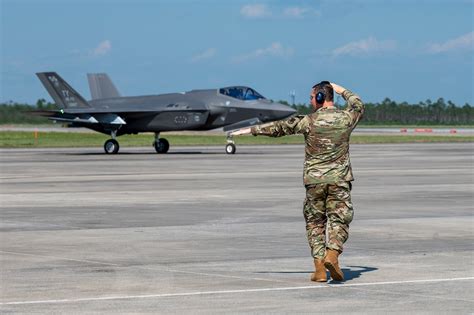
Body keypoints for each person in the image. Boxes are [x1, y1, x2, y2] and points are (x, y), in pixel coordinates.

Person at [231, 81, 364, 282]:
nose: (310, 100)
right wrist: (341, 90)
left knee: (315, 222)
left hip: (314, 182)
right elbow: (358, 104)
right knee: (340, 219)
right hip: (339, 180)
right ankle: (333, 255)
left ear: (319, 98)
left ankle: (319, 268)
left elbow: (280, 128)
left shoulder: (308, 121)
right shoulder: (346, 118)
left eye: (312, 97)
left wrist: (252, 130)